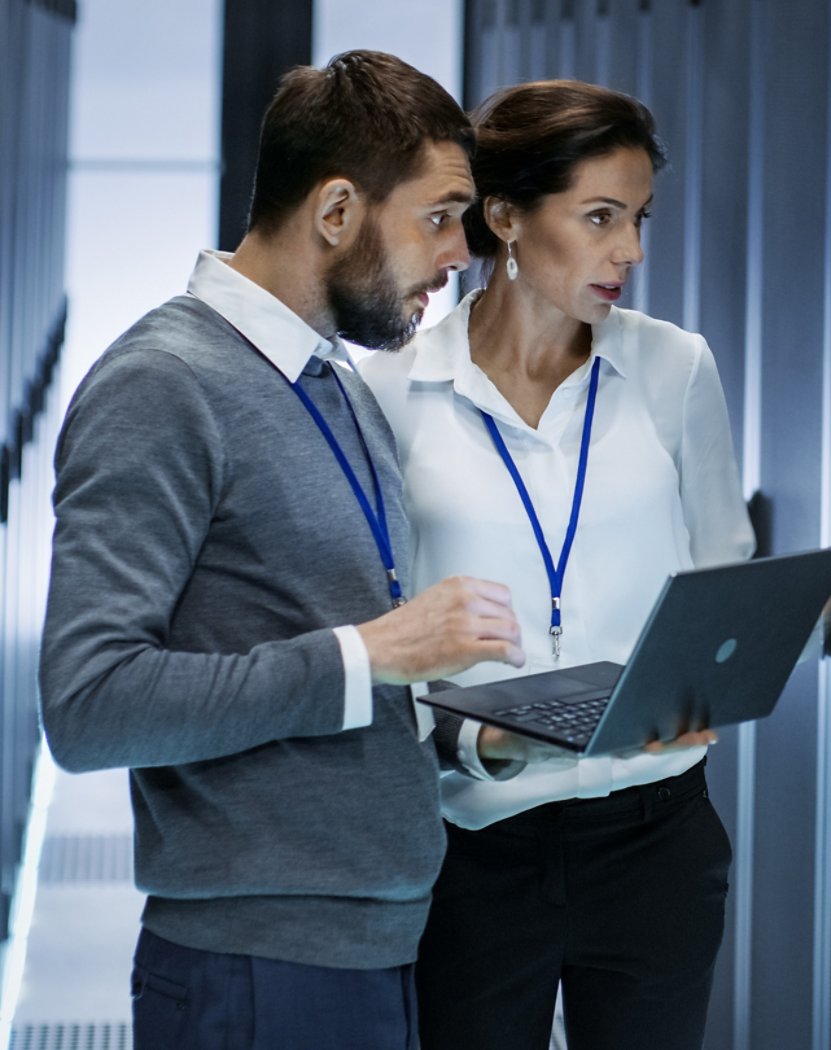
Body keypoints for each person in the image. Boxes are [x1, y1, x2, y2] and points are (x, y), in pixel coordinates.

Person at [39, 50, 525, 1050]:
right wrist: (375, 653)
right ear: (337, 212)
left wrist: (471, 733)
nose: (460, 253)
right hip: (257, 972)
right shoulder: (161, 388)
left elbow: (318, 656)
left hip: (374, 945)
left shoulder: (332, 384)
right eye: (438, 216)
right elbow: (88, 706)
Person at [358, 80, 756, 1050]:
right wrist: (457, 737)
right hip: (473, 845)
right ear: (503, 218)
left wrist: (703, 685)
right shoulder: (389, 391)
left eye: (637, 219)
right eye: (598, 218)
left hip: (654, 835)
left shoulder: (673, 369)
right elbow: (370, 623)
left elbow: (720, 571)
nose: (629, 251)